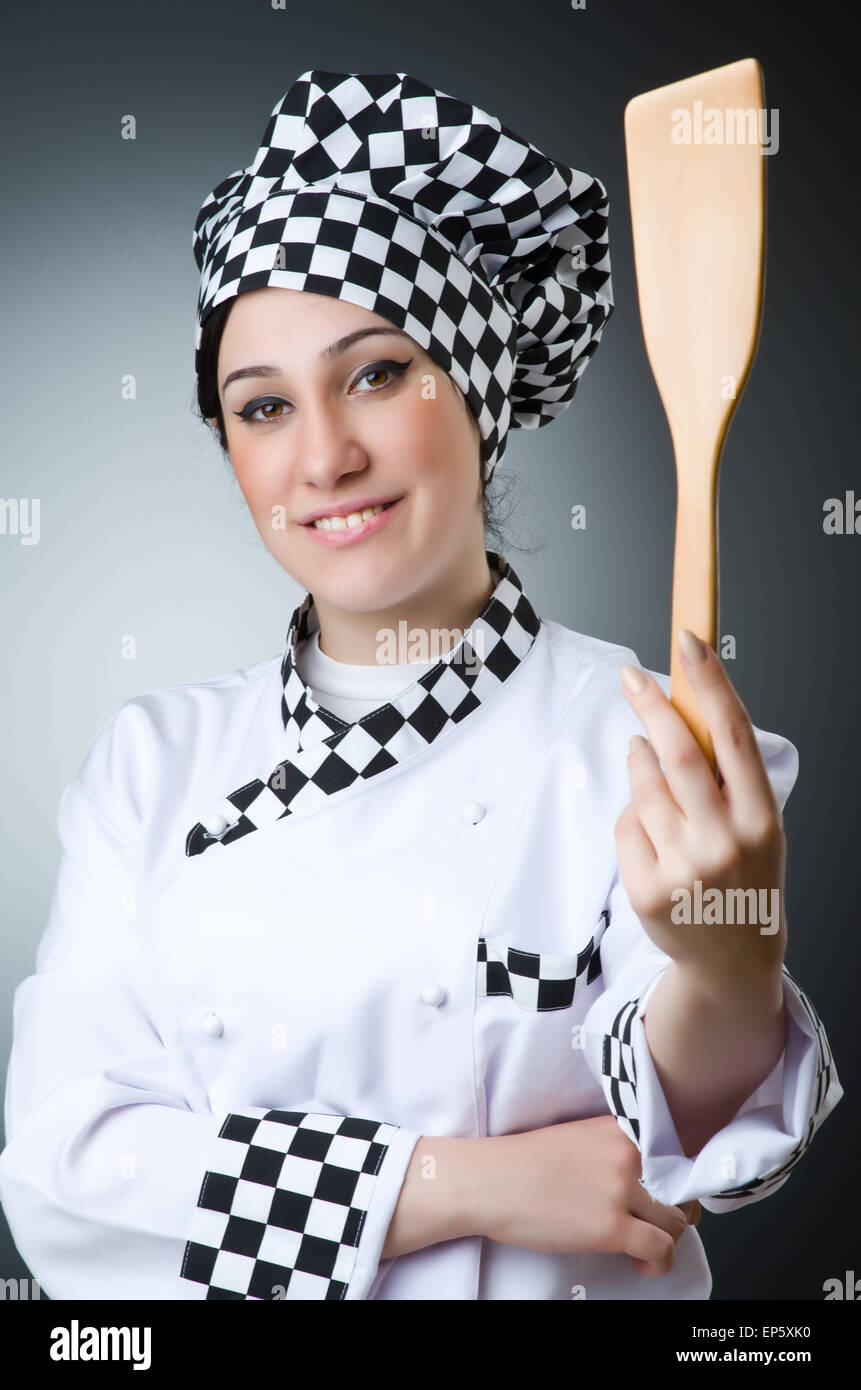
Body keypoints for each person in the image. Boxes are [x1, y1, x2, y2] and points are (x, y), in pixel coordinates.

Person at [0, 69, 842, 1301]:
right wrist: (472, 1183)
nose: (326, 454)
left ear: (480, 392)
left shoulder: (643, 744)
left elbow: (693, 1148)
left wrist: (727, 959)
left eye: (380, 373)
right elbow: (70, 1179)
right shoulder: (149, 768)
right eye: (264, 407)